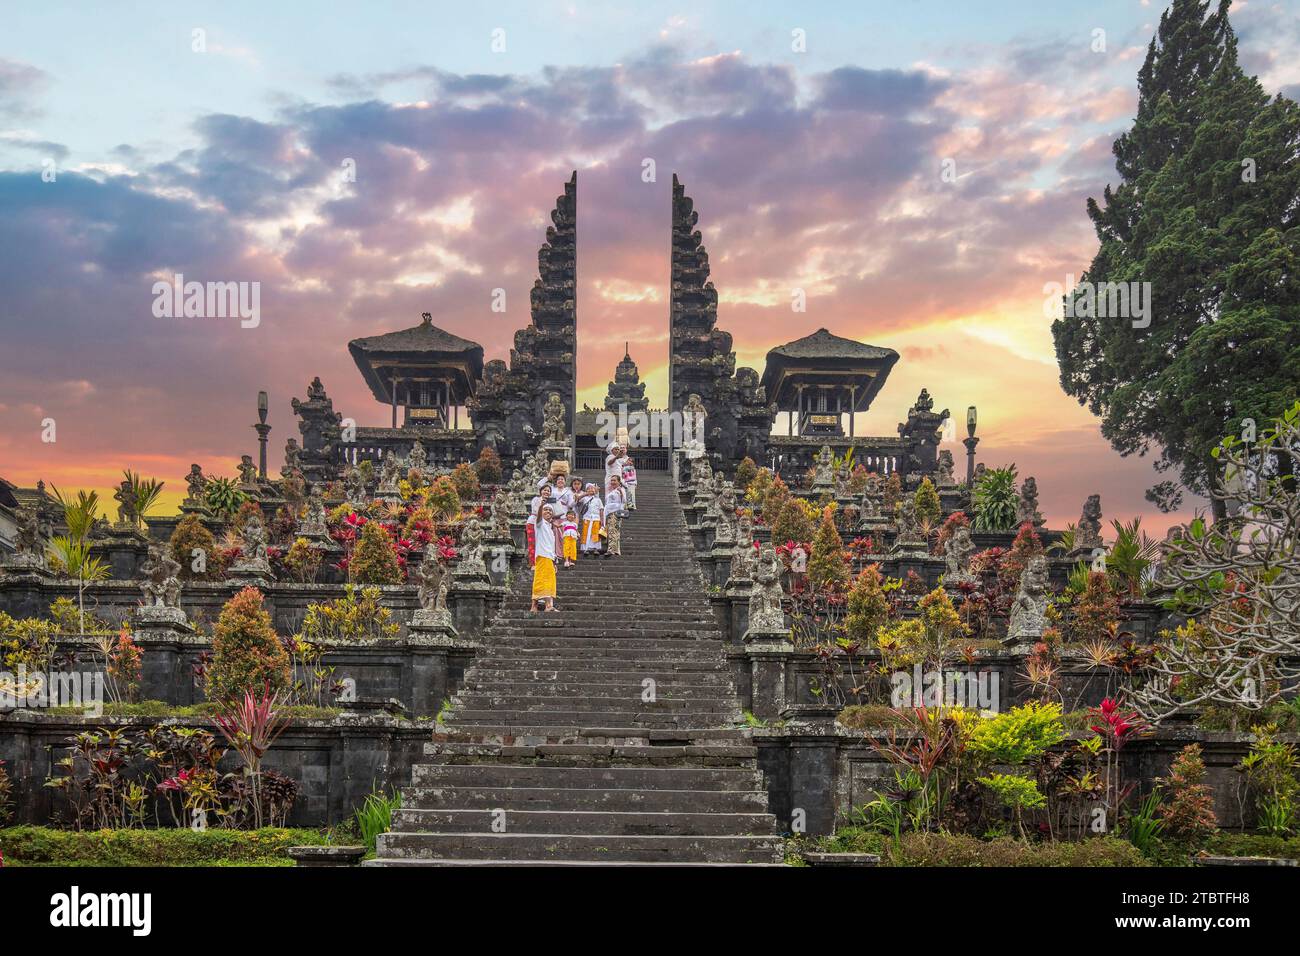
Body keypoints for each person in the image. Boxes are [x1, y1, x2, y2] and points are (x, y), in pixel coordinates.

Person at [531, 504, 559, 613]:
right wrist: (540, 505)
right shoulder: (540, 523)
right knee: (544, 580)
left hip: (549, 557)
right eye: (545, 510)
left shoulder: (550, 529)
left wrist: (554, 561)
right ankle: (548, 606)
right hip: (542, 555)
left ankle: (534, 606)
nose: (548, 512)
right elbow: (538, 517)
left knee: (543, 580)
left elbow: (551, 546)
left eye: (550, 510)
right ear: (541, 512)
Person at [526, 476, 548, 567]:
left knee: (542, 544)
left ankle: (541, 563)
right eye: (545, 490)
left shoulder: (551, 502)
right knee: (532, 543)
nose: (546, 492)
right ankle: (532, 563)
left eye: (548, 491)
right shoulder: (536, 499)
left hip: (544, 524)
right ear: (540, 491)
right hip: (533, 522)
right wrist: (547, 478)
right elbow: (535, 511)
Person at [604, 475, 626, 558]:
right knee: (613, 530)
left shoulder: (621, 490)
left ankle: (611, 549)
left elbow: (624, 501)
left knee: (613, 530)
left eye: (614, 480)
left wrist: (620, 492)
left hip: (615, 512)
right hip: (609, 512)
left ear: (619, 482)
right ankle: (616, 550)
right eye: (611, 480)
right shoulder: (612, 491)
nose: (612, 482)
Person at [580, 483, 603, 554]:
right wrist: (585, 494)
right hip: (587, 518)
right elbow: (577, 499)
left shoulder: (598, 499)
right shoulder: (584, 499)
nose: (591, 490)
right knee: (586, 533)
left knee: (595, 533)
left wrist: (602, 520)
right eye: (589, 488)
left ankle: (595, 548)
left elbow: (601, 509)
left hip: (596, 518)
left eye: (592, 488)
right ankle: (586, 548)